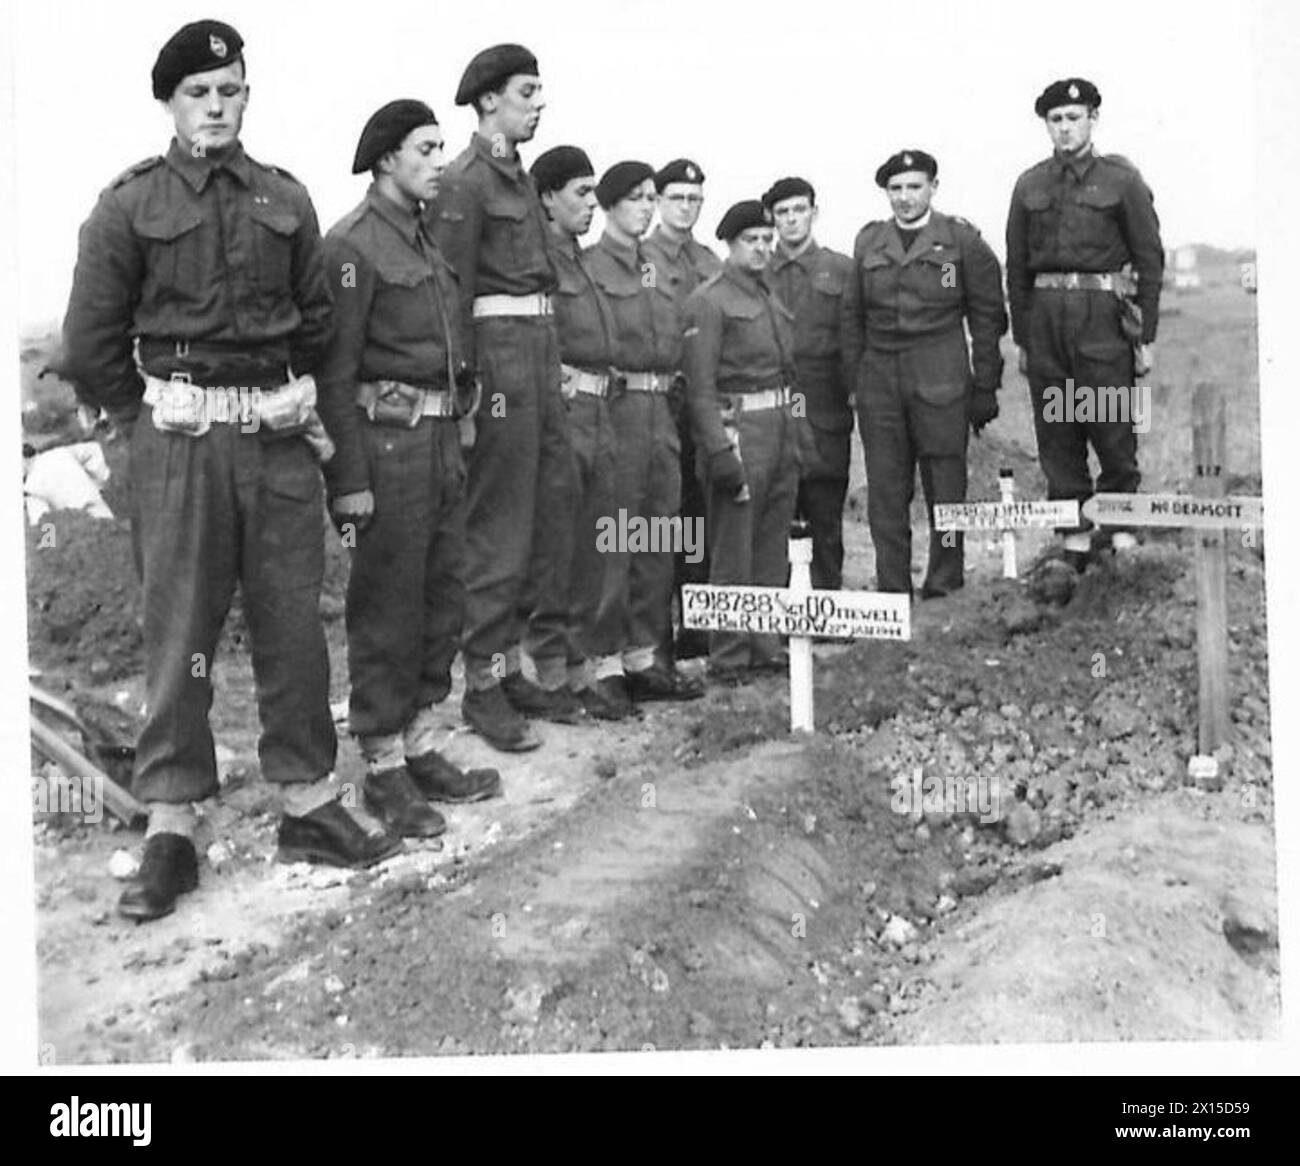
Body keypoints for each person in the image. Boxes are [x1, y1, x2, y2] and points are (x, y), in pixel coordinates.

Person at [57, 20, 402, 923]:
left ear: (248, 97)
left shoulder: (286, 200)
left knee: (293, 623)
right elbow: (90, 343)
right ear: (170, 103)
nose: (216, 106)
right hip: (179, 449)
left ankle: (306, 802)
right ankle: (171, 825)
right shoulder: (126, 205)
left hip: (279, 444)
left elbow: (321, 334)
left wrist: (312, 436)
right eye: (199, 93)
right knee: (181, 630)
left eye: (231, 91)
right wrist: (145, 429)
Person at [318, 99, 502, 839]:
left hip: (439, 444)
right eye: (425, 149)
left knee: (441, 593)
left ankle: (423, 741)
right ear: (387, 158)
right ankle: (384, 762)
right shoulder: (353, 247)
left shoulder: (427, 244)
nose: (438, 162)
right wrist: (351, 481)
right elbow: (334, 376)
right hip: (385, 451)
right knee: (388, 605)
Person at [430, 44, 578, 751]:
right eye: (527, 91)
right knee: (500, 527)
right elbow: (451, 293)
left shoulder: (516, 178)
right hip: (501, 369)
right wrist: (465, 390)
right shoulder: (463, 182)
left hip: (540, 359)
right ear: (488, 100)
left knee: (546, 517)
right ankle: (481, 686)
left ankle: (511, 663)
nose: (539, 103)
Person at [1006, 78, 1164, 570]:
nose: (1065, 128)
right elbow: (1017, 268)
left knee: (1112, 424)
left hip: (1102, 320)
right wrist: (1025, 337)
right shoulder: (1030, 184)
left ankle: (1121, 535)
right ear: (1047, 126)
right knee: (1059, 427)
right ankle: (1073, 542)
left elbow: (1149, 259)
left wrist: (1147, 335)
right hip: (1048, 319)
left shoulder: (1121, 180)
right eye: (1056, 120)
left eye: (1074, 117)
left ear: (1093, 119)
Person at [841, 149, 1007, 598]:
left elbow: (988, 317)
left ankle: (944, 581)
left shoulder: (960, 241)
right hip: (881, 380)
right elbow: (852, 316)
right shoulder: (869, 243)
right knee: (887, 491)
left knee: (946, 486)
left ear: (934, 187)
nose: (904, 198)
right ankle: (892, 589)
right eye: (895, 189)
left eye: (914, 187)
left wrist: (985, 385)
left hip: (940, 373)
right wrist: (855, 383)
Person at [586, 160, 705, 709]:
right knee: (616, 535)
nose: (646, 208)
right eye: (634, 198)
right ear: (608, 205)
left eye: (650, 198)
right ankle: (602, 664)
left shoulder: (653, 268)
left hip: (662, 408)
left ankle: (643, 655)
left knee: (659, 534)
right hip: (619, 408)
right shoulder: (590, 268)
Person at [530, 146, 631, 720]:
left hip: (601, 414)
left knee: (597, 545)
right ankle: (545, 675)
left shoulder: (581, 260)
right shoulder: (540, 260)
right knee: (556, 549)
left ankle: (578, 671)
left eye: (595, 193)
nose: (592, 204)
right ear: (547, 197)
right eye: (580, 193)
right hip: (564, 414)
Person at [682, 200, 798, 683]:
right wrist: (717, 451)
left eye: (767, 240)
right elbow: (700, 387)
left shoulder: (768, 296)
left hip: (779, 427)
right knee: (733, 547)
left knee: (772, 545)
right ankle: (728, 653)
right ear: (730, 243)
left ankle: (764, 643)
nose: (762, 248)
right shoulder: (710, 301)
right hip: (739, 432)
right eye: (752, 240)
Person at [642, 159, 722, 662]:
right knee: (655, 517)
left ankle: (696, 620)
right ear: (657, 201)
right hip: (656, 399)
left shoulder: (710, 259)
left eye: (694, 199)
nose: (686, 208)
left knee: (696, 512)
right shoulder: (641, 255)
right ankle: (653, 634)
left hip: (700, 401)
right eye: (677, 198)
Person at [762, 177, 855, 590]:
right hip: (773, 401)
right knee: (777, 506)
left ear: (814, 213)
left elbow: (856, 336)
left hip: (823, 401)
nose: (791, 220)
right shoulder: (758, 270)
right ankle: (781, 606)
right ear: (772, 219)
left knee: (824, 506)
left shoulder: (840, 269)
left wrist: (854, 393)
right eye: (782, 213)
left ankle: (827, 598)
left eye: (799, 210)